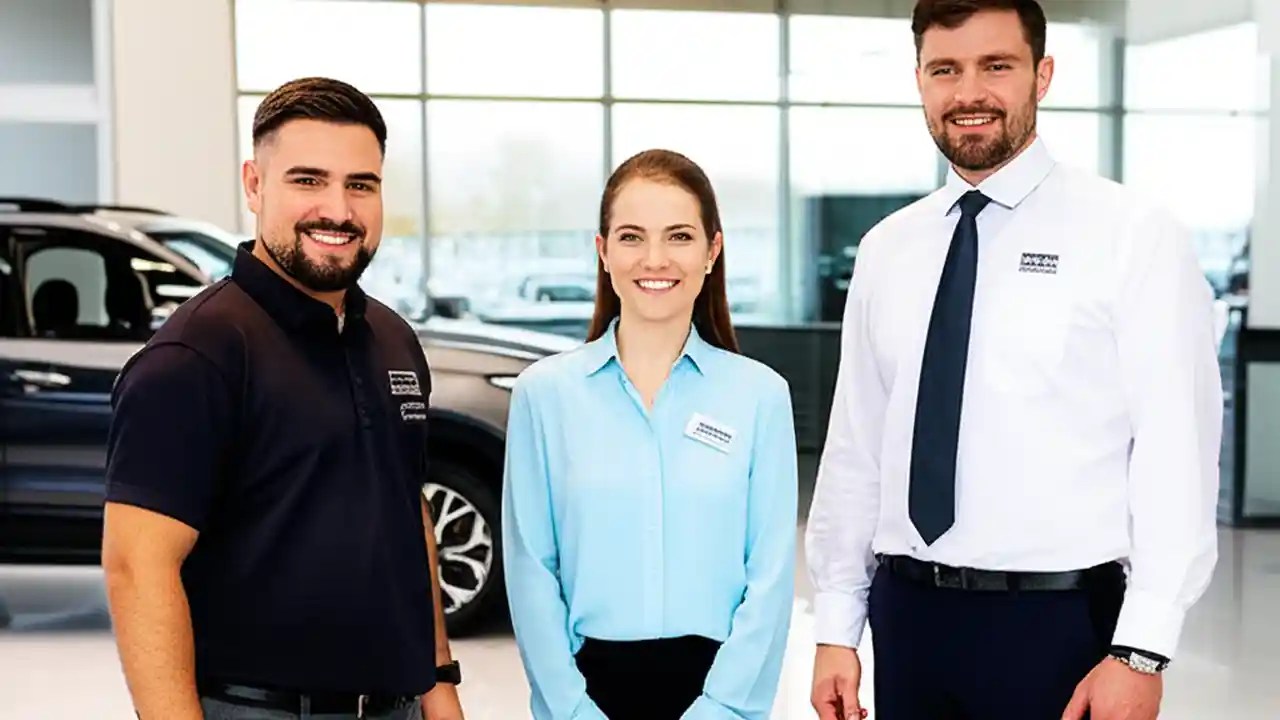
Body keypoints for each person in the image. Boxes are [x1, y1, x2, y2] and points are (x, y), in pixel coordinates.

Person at [805, 2, 1223, 719]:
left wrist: (1141, 650)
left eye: (996, 66)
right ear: (920, 83)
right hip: (907, 619)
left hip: (1059, 625)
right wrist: (836, 627)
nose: (969, 93)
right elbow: (857, 450)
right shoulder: (887, 249)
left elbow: (1175, 452)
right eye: (946, 70)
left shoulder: (1131, 236)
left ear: (1043, 75)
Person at [102, 77, 466, 720]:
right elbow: (138, 567)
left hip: (395, 706)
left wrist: (439, 683)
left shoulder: (392, 339)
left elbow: (405, 514)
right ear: (254, 184)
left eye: (361, 184)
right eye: (308, 180)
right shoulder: (197, 356)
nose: (339, 209)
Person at [501, 149, 798, 720]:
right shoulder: (545, 395)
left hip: (721, 698)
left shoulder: (760, 396)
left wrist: (723, 708)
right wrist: (571, 710)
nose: (655, 259)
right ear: (603, 251)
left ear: (712, 251)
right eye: (633, 237)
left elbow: (770, 575)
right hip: (585, 697)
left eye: (680, 236)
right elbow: (532, 570)